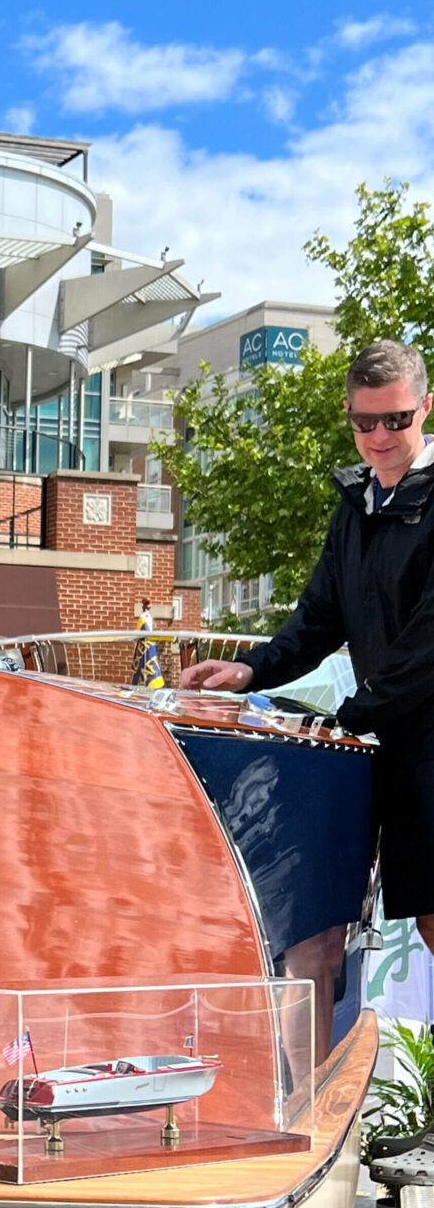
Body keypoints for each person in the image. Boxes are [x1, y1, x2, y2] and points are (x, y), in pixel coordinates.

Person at [182, 339, 434, 956]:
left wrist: (348, 718)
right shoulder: (356, 506)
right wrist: (250, 669)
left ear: (426, 409)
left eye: (396, 419)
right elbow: (319, 619)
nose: (380, 435)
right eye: (364, 421)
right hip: (398, 748)